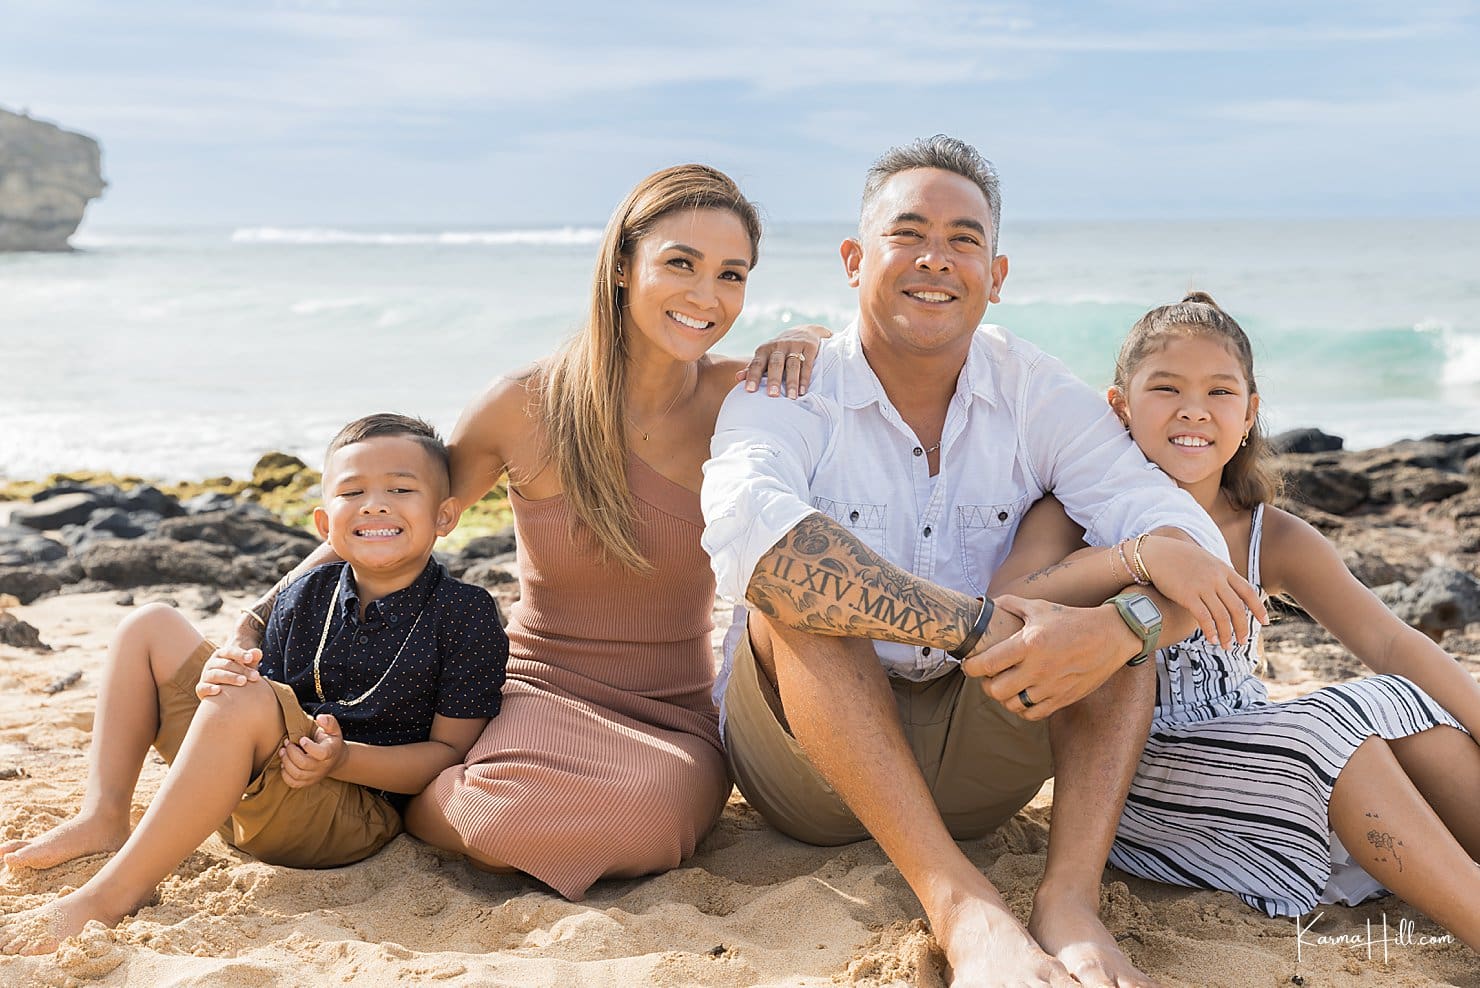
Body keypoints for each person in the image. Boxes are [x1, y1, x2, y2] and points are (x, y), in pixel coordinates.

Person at [701, 135, 1266, 988]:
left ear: (996, 275)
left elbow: (1172, 528)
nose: (937, 258)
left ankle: (1069, 901)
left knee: (1109, 618)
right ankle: (963, 907)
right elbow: (750, 536)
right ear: (855, 260)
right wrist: (973, 625)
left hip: (985, 739)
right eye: (909, 233)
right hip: (811, 772)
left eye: (966, 239)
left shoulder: (1034, 390)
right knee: (801, 585)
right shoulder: (789, 388)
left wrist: (1125, 628)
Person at [205, 164, 827, 901]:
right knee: (485, 809)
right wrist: (251, 620)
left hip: (673, 714)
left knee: (653, 823)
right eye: (680, 264)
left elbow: (873, 387)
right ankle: (408, 791)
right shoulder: (522, 404)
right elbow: (388, 526)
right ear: (624, 266)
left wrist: (812, 334)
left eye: (733, 275)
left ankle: (406, 788)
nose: (706, 295)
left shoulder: (742, 400)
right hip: (532, 691)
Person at [993, 292, 1480, 951]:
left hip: (1265, 746)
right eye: (1166, 388)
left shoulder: (1266, 535)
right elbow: (1006, 601)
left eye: (1220, 391)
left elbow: (1389, 640)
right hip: (1138, 781)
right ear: (1119, 407)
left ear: (1248, 413)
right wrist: (1134, 558)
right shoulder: (1077, 515)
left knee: (1402, 698)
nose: (1194, 409)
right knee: (1330, 730)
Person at [1, 414, 507, 955]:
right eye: (352, 491)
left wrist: (341, 761)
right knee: (149, 625)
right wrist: (222, 675)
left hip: (347, 812)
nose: (375, 504)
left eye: (401, 489)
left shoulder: (466, 615)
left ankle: (112, 894)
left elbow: (449, 753)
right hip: (250, 788)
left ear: (446, 515)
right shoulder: (303, 595)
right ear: (323, 523)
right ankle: (102, 816)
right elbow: (257, 701)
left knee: (245, 697)